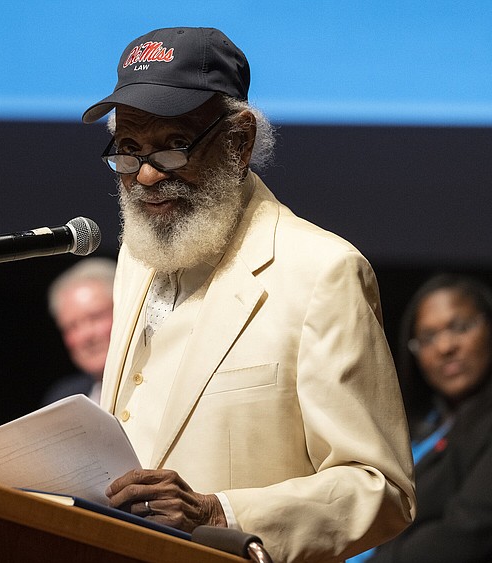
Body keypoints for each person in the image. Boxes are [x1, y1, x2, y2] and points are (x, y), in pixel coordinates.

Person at [81, 26, 415, 562]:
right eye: (128, 148)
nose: (144, 174)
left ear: (239, 142)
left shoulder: (322, 272)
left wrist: (221, 514)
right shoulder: (135, 258)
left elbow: (381, 489)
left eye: (172, 145)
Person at [364, 274, 492, 562]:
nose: (446, 347)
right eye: (428, 337)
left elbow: (467, 531)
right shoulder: (417, 422)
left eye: (460, 327)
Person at [41, 257, 116, 406]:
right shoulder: (61, 401)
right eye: (72, 326)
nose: (85, 336)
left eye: (95, 317)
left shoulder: (163, 383)